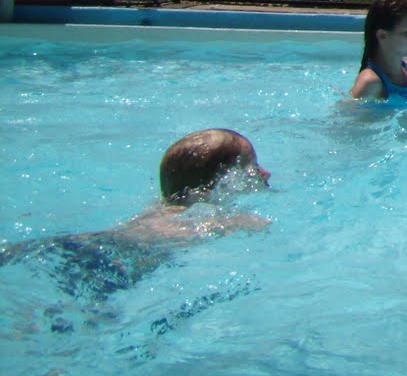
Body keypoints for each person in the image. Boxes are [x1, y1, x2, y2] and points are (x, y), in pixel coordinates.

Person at [0, 129, 271, 307]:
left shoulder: (160, 207)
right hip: (117, 262)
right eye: (252, 166)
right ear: (223, 181)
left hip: (80, 243)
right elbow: (261, 228)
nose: (264, 173)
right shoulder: (223, 219)